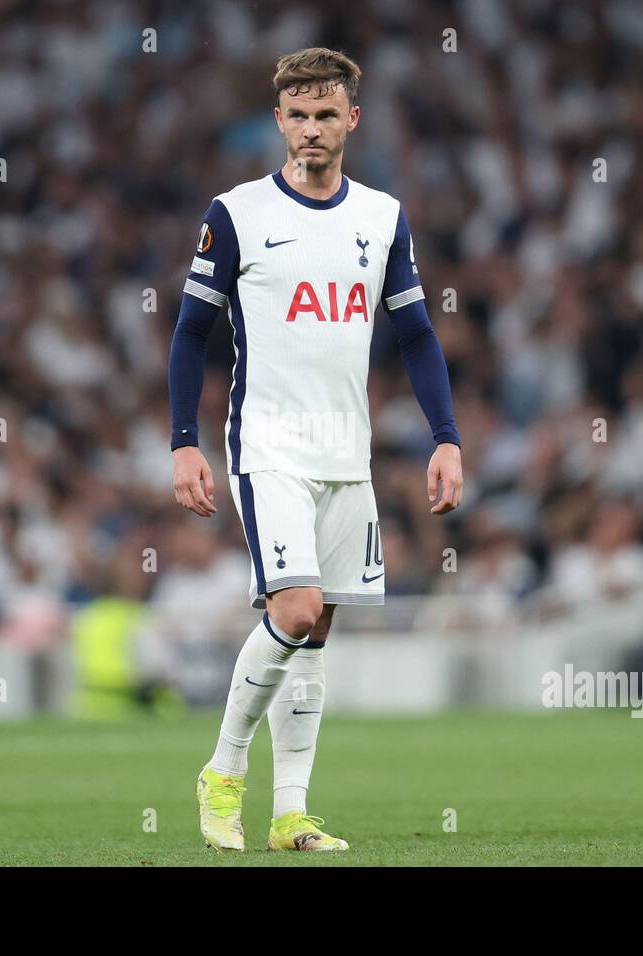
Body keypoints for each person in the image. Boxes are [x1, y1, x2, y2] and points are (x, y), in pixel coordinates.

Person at [167, 48, 462, 852]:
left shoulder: (382, 216)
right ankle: (223, 771)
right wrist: (184, 443)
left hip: (347, 454)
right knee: (292, 611)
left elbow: (418, 335)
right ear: (278, 122)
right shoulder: (235, 215)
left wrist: (446, 439)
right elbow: (191, 332)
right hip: (268, 447)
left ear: (352, 121)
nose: (311, 129)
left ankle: (290, 813)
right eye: (297, 115)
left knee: (317, 630)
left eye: (326, 114)